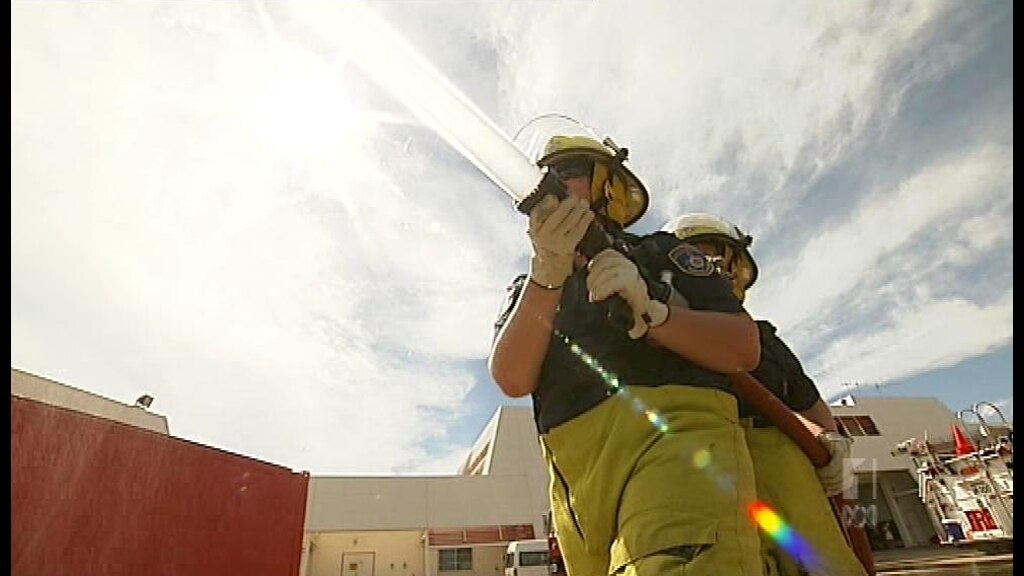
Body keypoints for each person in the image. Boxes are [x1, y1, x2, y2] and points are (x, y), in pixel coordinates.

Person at [489, 115, 765, 576]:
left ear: (609, 189)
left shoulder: (664, 255)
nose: (550, 187)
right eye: (544, 177)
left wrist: (655, 313)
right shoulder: (528, 287)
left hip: (675, 442)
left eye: (569, 171)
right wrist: (547, 276)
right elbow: (512, 379)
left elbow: (743, 348)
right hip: (576, 483)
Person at [662, 212, 866, 576]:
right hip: (689, 472)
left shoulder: (764, 341)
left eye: (711, 261)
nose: (702, 271)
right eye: (690, 262)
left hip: (779, 473)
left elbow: (813, 414)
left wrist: (828, 442)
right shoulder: (639, 331)